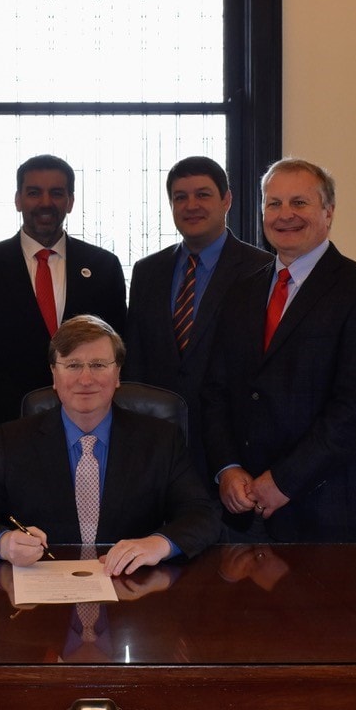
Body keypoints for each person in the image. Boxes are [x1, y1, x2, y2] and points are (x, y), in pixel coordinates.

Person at [0, 314, 220, 710]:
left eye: (99, 365)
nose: (85, 378)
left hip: (133, 613)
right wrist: (3, 542)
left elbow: (203, 514)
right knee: (15, 706)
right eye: (72, 365)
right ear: (53, 374)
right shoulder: (13, 440)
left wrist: (159, 543)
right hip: (36, 615)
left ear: (118, 374)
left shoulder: (159, 439)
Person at [202, 157, 356, 710]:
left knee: (319, 648)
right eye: (273, 204)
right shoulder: (241, 289)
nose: (284, 216)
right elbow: (215, 390)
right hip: (240, 507)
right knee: (251, 638)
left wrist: (282, 481)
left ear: (328, 212)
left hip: (321, 507)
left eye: (299, 203)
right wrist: (228, 468)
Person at [0, 154, 127, 465]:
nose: (45, 202)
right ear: (18, 200)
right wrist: (36, 408)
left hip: (90, 434)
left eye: (56, 193)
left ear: (70, 201)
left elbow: (118, 354)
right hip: (6, 434)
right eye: (34, 192)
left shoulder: (103, 267)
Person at [122, 156, 271, 480]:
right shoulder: (148, 271)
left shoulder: (261, 269)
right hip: (157, 446)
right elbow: (135, 359)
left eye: (203, 194)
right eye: (180, 197)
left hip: (232, 452)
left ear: (226, 199)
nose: (191, 205)